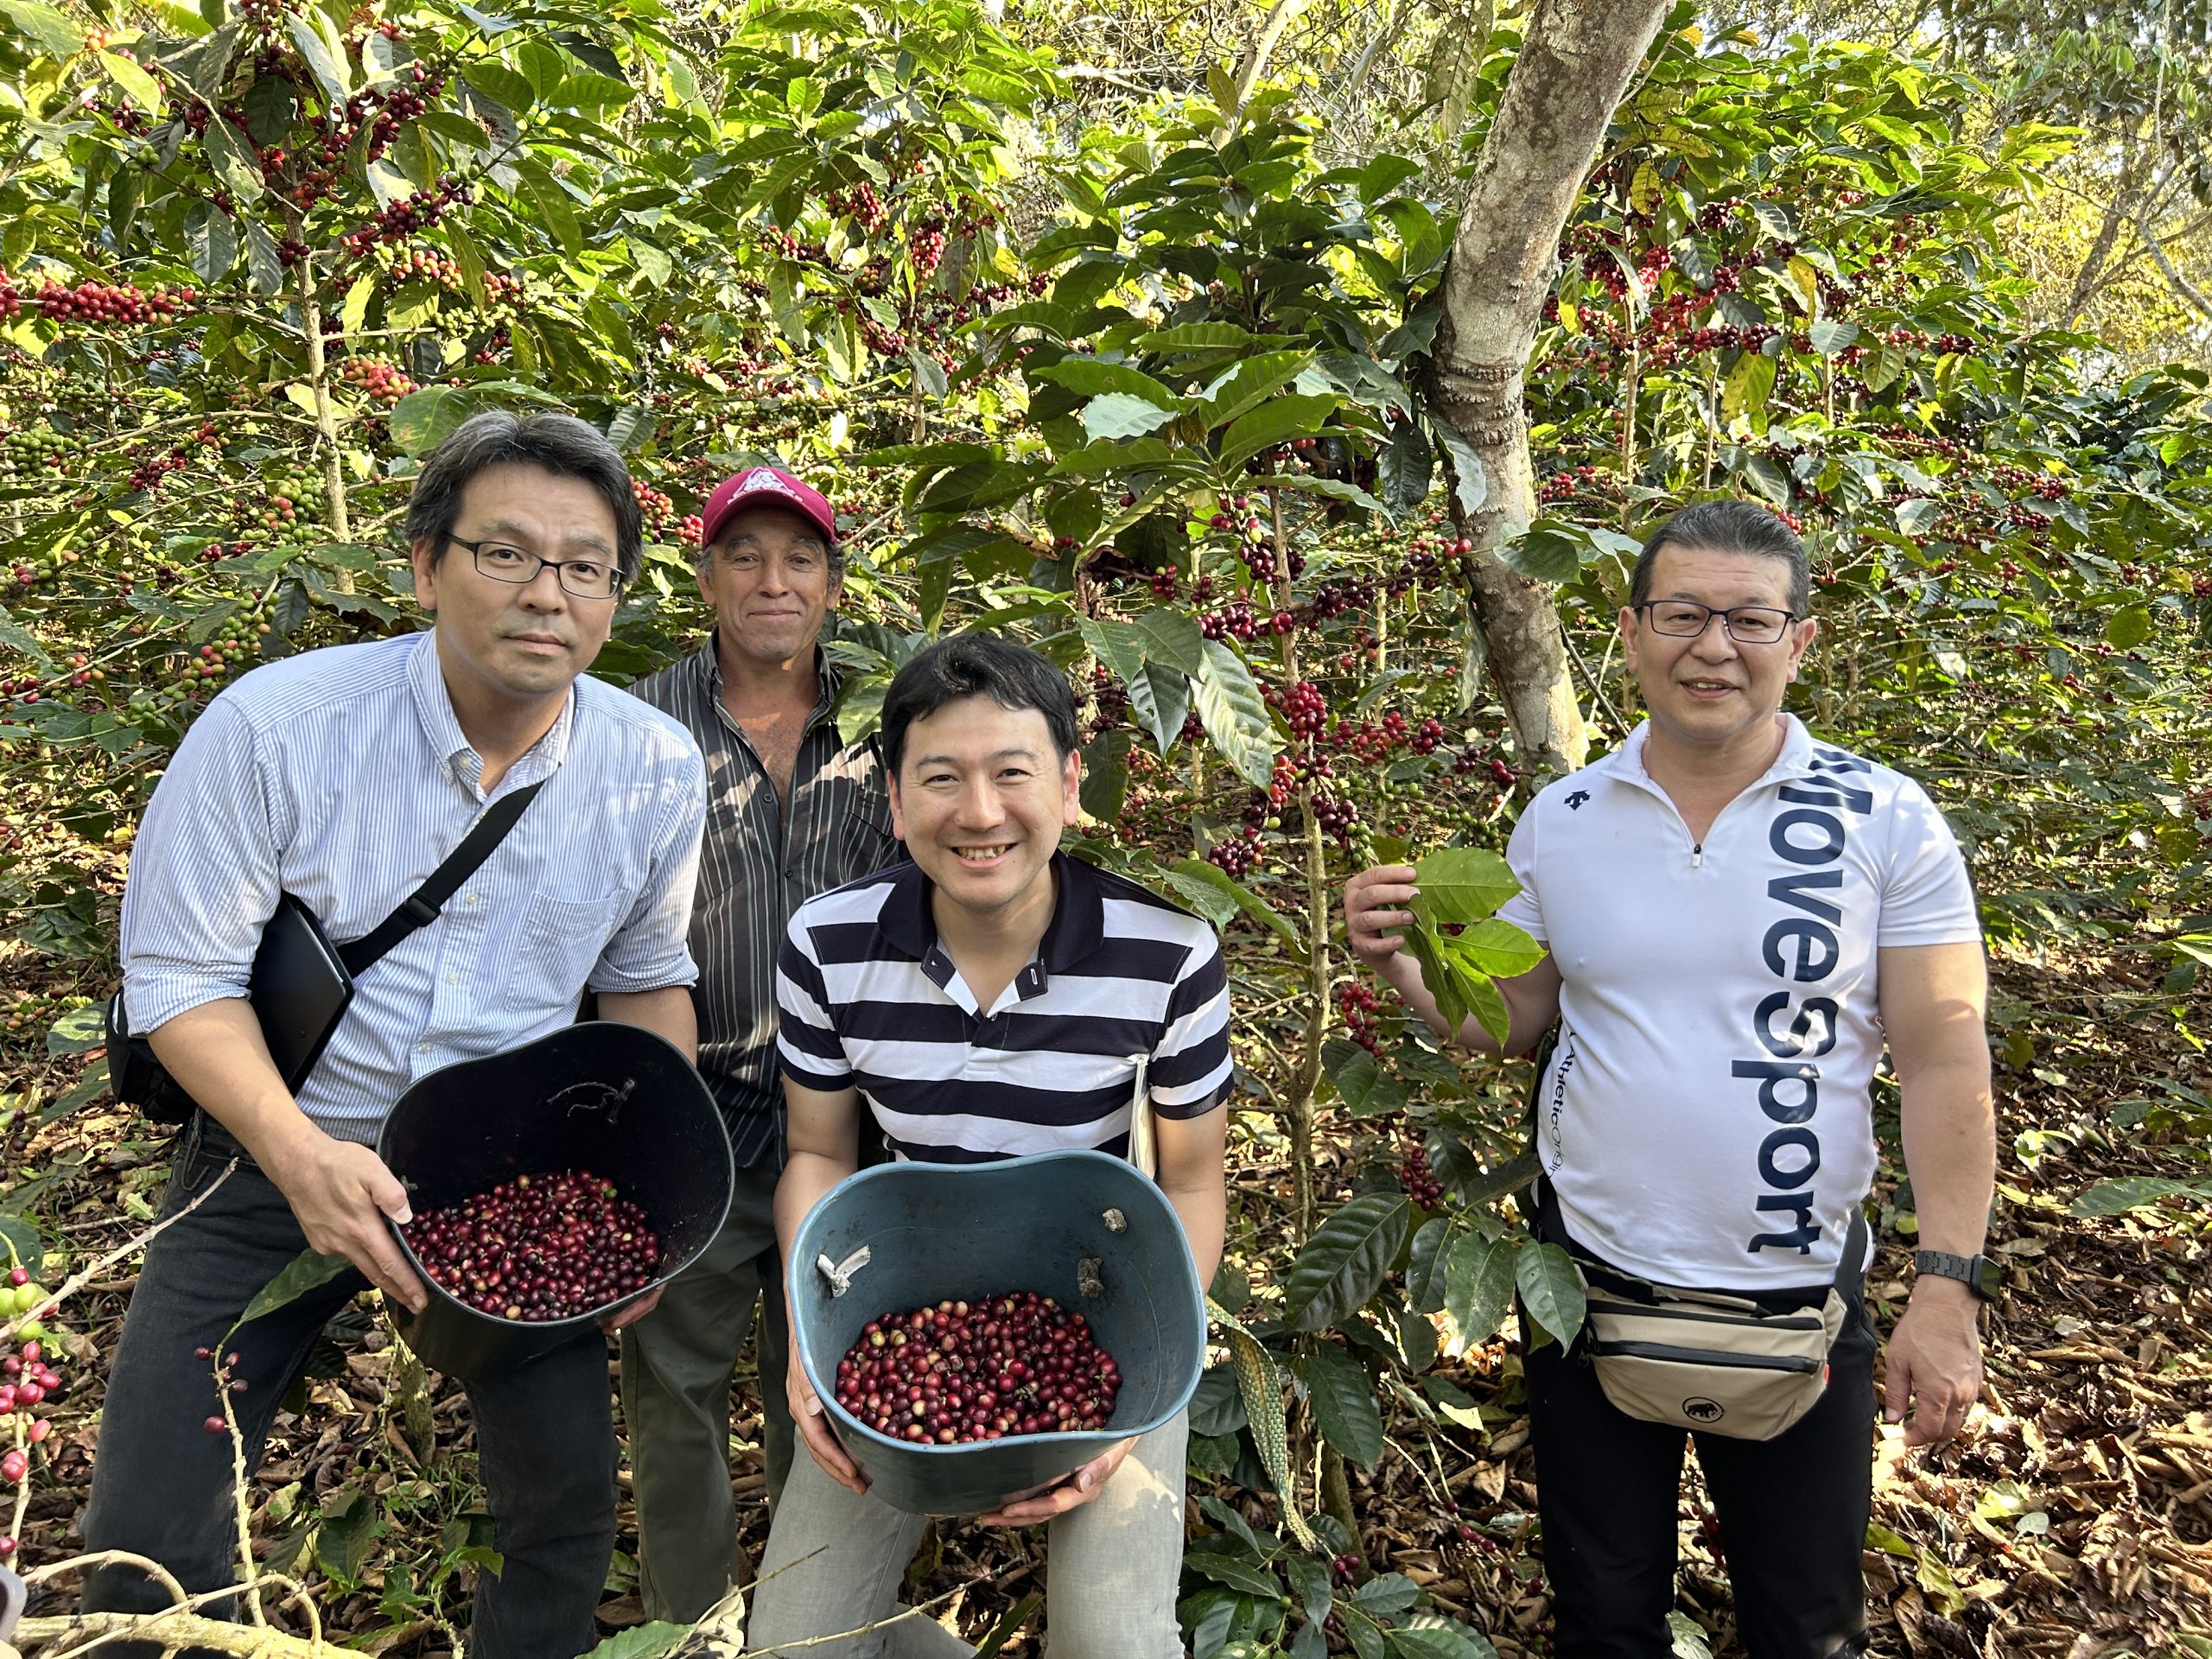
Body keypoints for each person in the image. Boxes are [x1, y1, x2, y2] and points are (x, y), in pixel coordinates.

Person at [84, 411, 709, 1659]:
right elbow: (180, 979)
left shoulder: (653, 767)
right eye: (508, 554)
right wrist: (296, 1156)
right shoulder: (276, 729)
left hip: (510, 1177)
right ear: (426, 564)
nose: (549, 595)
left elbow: (646, 983)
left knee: (565, 1516)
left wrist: (647, 1185)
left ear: (617, 594)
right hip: (276, 1144)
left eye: (586, 566)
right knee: (157, 1524)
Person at [1342, 499, 1994, 1659]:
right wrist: (1402, 960)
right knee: (1604, 1614)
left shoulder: (1886, 818)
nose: (1715, 646)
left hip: (1801, 1293)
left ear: (1802, 640)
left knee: (1805, 1624)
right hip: (1589, 1286)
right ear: (1634, 632)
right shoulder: (1565, 818)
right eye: (1684, 613)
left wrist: (1946, 1288)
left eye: (1752, 618)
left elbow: (1944, 1050)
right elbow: (1515, 1020)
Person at [748, 635, 1231, 1657]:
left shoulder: (1168, 957)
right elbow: (819, 1158)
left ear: (1066, 782)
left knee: (1112, 1642)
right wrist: (811, 1338)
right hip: (898, 1300)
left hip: (1109, 1310)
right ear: (892, 798)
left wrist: (1139, 1395)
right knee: (797, 1643)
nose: (979, 813)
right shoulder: (828, 945)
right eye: (941, 778)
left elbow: (1189, 1183)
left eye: (1012, 773)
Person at [620, 465, 895, 1623]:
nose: (772, 580)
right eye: (745, 556)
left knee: (830, 1375)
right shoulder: (637, 722)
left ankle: (808, 1625)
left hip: (858, 1112)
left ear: (833, 580)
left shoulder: (891, 711)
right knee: (672, 1385)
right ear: (705, 576)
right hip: (702, 1100)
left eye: (799, 558)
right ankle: (688, 1625)